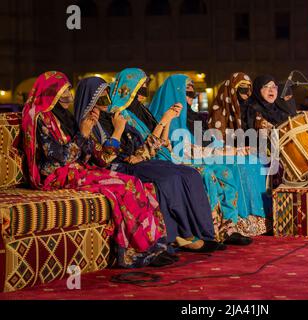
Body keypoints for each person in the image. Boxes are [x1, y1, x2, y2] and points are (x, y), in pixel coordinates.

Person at [22, 71, 175, 268]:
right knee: (125, 187)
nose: (69, 95)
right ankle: (135, 250)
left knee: (136, 183)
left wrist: (90, 131)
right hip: (55, 176)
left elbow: (97, 158)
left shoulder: (67, 119)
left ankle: (153, 245)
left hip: (79, 169)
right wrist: (84, 135)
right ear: (52, 93)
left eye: (69, 90)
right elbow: (59, 158)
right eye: (64, 91)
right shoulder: (39, 118)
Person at [74, 74, 221, 253]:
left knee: (190, 174)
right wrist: (119, 131)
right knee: (170, 179)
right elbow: (104, 159)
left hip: (139, 161)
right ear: (92, 99)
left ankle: (202, 232)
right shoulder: (90, 124)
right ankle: (181, 238)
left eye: (108, 95)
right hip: (119, 167)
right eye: (102, 97)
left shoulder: (116, 116)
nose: (107, 101)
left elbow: (144, 147)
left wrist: (163, 124)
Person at [147, 74, 271, 241]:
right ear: (175, 94)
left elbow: (210, 144)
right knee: (213, 171)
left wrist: (235, 150)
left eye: (193, 94)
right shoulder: (165, 118)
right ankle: (212, 228)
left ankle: (229, 225)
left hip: (200, 156)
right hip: (176, 160)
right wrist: (230, 152)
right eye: (187, 94)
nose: (191, 98)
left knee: (232, 169)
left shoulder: (193, 117)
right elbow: (181, 150)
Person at [208, 72, 253, 139]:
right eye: (243, 86)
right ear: (232, 89)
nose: (247, 92)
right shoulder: (219, 111)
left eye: (249, 87)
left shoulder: (250, 108)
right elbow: (219, 138)